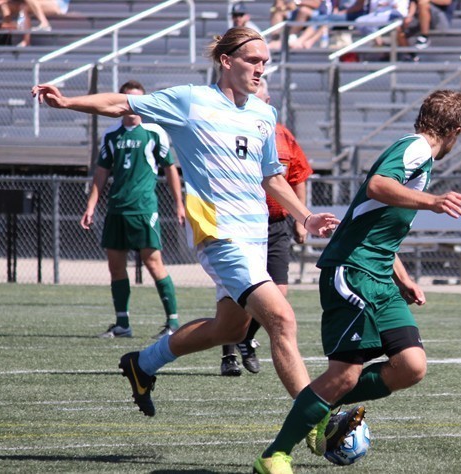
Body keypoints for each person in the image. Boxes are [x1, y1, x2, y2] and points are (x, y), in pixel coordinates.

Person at [32, 28, 341, 422]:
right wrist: (68, 101)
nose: (261, 68)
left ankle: (142, 364)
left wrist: (305, 216)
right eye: (253, 60)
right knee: (281, 319)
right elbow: (121, 103)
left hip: (255, 237)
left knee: (229, 330)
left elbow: (272, 178)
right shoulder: (190, 101)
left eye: (265, 62)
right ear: (227, 61)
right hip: (220, 234)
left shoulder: (265, 114)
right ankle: (319, 422)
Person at [253, 89, 461, 474]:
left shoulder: (417, 155)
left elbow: (377, 221)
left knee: (411, 366)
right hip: (352, 272)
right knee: (344, 374)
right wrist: (435, 201)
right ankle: (275, 454)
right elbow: (377, 186)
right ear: (455, 129)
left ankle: (321, 403)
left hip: (380, 275)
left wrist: (402, 277)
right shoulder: (416, 148)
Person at [219, 76, 313, 376]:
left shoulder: (284, 136)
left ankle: (245, 338)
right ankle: (229, 352)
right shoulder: (229, 130)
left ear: (268, 103)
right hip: (240, 224)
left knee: (279, 292)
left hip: (276, 224)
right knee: (236, 294)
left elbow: (297, 178)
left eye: (260, 99)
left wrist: (302, 219)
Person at [81, 80, 186, 340]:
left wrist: (179, 203)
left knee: (154, 263)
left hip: (143, 209)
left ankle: (173, 323)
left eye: (139, 100)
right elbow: (102, 173)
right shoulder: (111, 135)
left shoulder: (154, 132)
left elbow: (170, 168)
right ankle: (122, 324)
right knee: (116, 267)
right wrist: (91, 205)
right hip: (117, 209)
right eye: (129, 99)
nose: (134, 106)